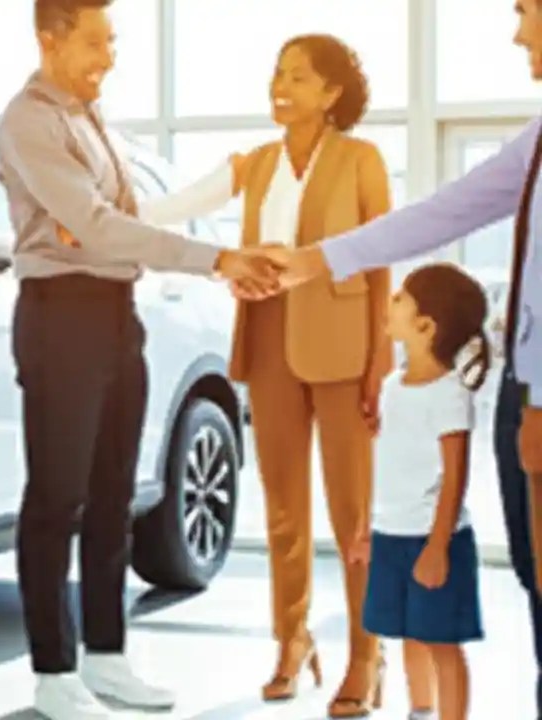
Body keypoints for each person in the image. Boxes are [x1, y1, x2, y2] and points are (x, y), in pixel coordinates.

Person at [0, 1, 281, 718]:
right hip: (60, 318)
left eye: (112, 41)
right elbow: (92, 228)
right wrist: (215, 260)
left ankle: (107, 657)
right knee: (57, 498)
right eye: (95, 42)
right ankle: (53, 672)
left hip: (119, 318)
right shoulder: (29, 121)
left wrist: (217, 208)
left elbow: (131, 221)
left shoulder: (94, 121)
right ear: (49, 40)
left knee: (116, 495)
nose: (109, 57)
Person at [270, 2, 542, 715]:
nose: (517, 32)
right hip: (524, 389)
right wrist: (316, 261)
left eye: (526, 11)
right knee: (534, 578)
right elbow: (448, 210)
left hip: (539, 395)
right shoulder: (540, 137)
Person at [135, 33, 400, 718]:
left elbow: (379, 262)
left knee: (352, 515)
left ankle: (367, 654)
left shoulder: (362, 160)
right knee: (284, 508)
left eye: (300, 77)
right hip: (270, 342)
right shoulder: (254, 163)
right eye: (278, 74)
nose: (282, 87)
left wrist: (381, 355)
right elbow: (172, 208)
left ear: (333, 93)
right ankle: (292, 640)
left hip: (344, 349)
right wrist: (101, 223)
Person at [350, 263, 490, 720]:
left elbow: (455, 477)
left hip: (436, 540)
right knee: (408, 633)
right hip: (391, 533)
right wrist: (365, 528)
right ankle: (420, 711)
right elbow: (383, 462)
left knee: (441, 643)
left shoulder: (450, 395)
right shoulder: (391, 387)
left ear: (426, 326)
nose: (389, 302)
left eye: (400, 299)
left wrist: (436, 547)